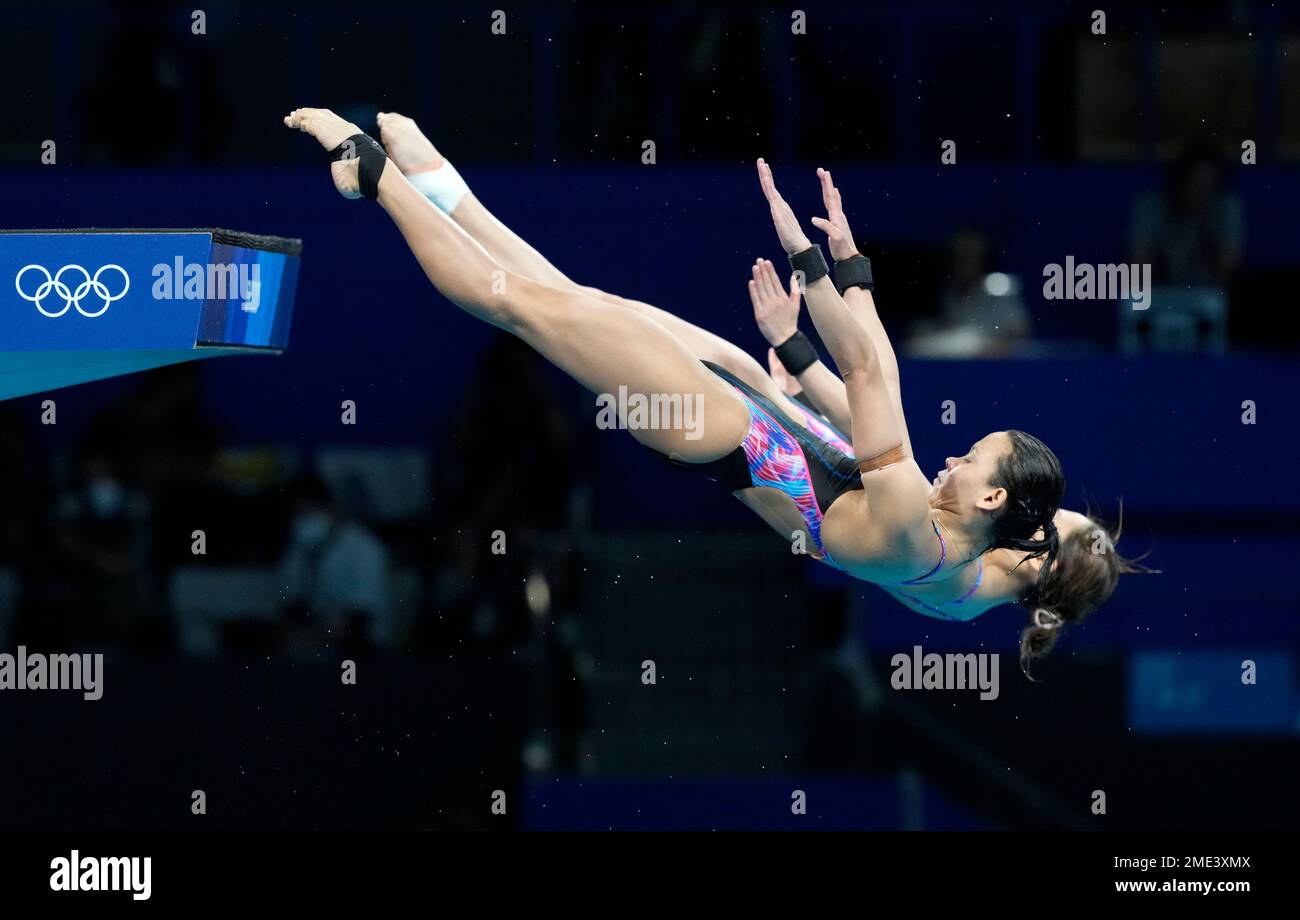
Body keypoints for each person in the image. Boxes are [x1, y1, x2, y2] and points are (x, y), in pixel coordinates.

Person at [283, 107, 1071, 667]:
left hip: (723, 430)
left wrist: (816, 260)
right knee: (580, 302)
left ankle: (374, 174)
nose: (952, 462)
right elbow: (865, 397)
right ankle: (441, 185)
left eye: (972, 460)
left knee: (517, 305)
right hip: (762, 413)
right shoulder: (962, 575)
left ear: (998, 503)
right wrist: (800, 339)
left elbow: (872, 372)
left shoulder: (914, 536)